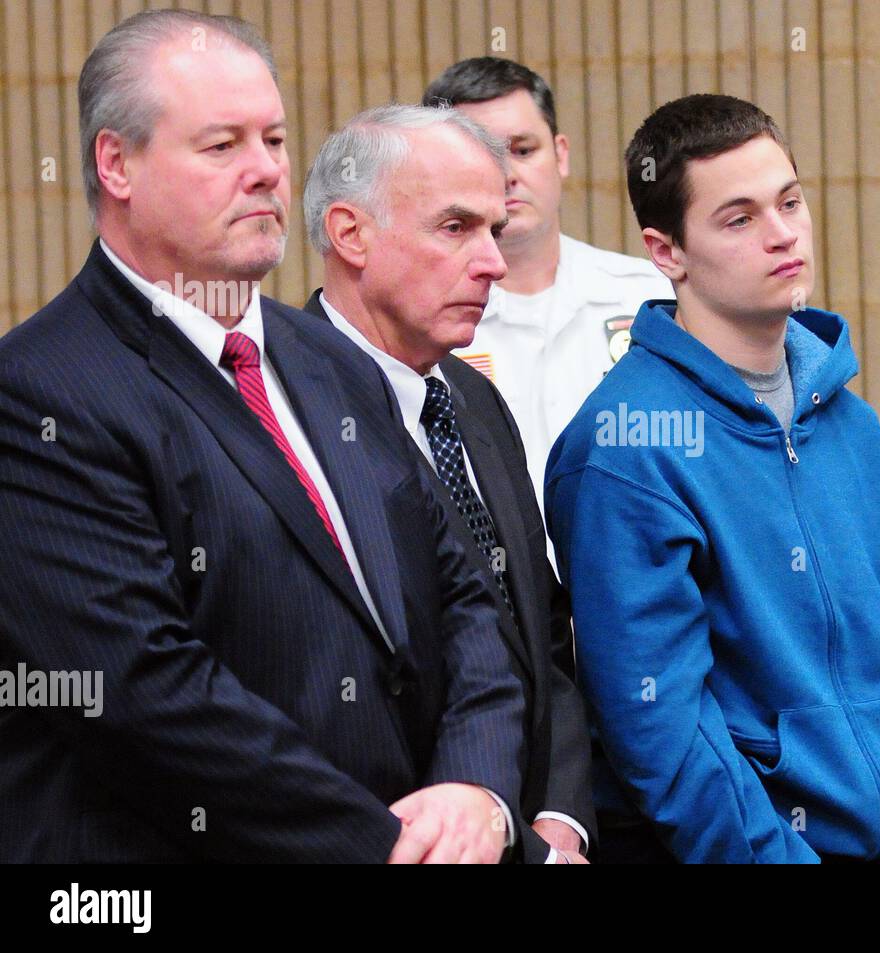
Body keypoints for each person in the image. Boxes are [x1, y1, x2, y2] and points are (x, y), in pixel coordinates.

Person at [0, 9, 523, 863]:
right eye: (222, 147)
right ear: (116, 163)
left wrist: (477, 791)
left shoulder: (331, 355)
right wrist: (390, 845)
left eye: (275, 141)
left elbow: (463, 598)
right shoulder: (38, 394)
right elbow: (147, 695)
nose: (266, 173)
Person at [544, 93, 880, 863]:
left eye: (791, 202)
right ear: (666, 252)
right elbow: (661, 731)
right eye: (738, 219)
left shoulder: (852, 423)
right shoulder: (624, 449)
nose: (783, 235)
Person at [301, 104, 595, 864]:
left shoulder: (470, 396)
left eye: (496, 229)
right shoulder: (281, 416)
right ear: (350, 233)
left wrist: (560, 817)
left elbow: (540, 634)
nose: (494, 261)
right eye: (456, 227)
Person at [423, 57, 673, 508]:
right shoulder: (422, 322)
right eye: (484, 154)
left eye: (523, 149)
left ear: (560, 153)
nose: (508, 174)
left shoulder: (650, 296)